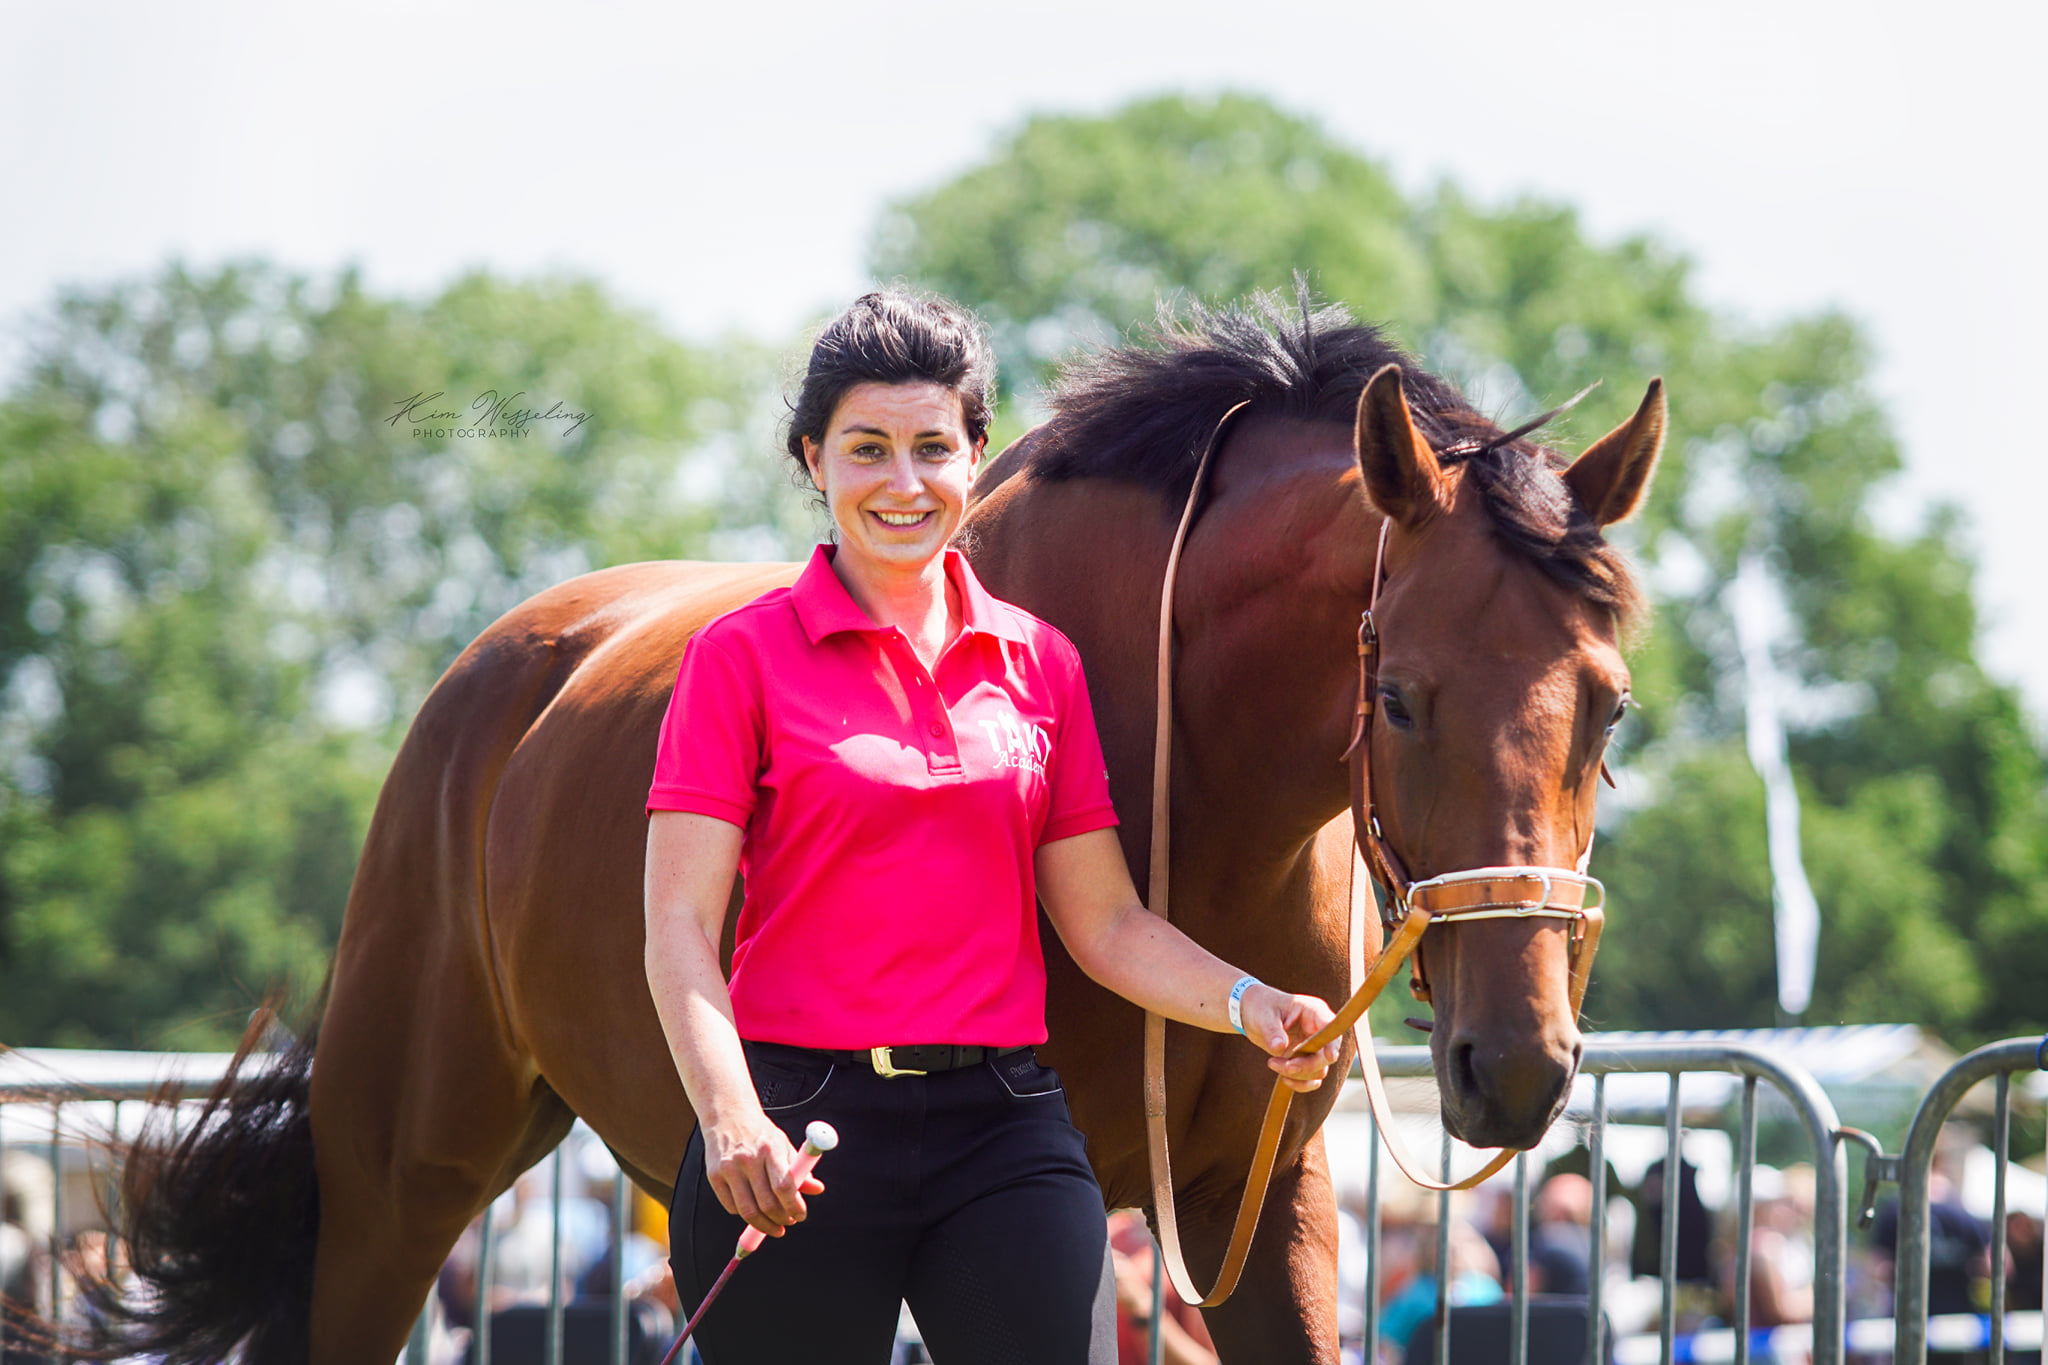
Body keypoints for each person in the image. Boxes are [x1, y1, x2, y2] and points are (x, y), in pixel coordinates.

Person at [643, 290, 1342, 1365]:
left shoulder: (1038, 663)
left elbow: (1104, 925)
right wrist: (731, 1117)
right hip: (794, 1126)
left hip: (1003, 1127)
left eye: (932, 446)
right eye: (866, 449)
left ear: (976, 457)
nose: (903, 482)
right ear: (811, 460)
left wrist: (1251, 1006)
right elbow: (679, 928)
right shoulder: (737, 659)